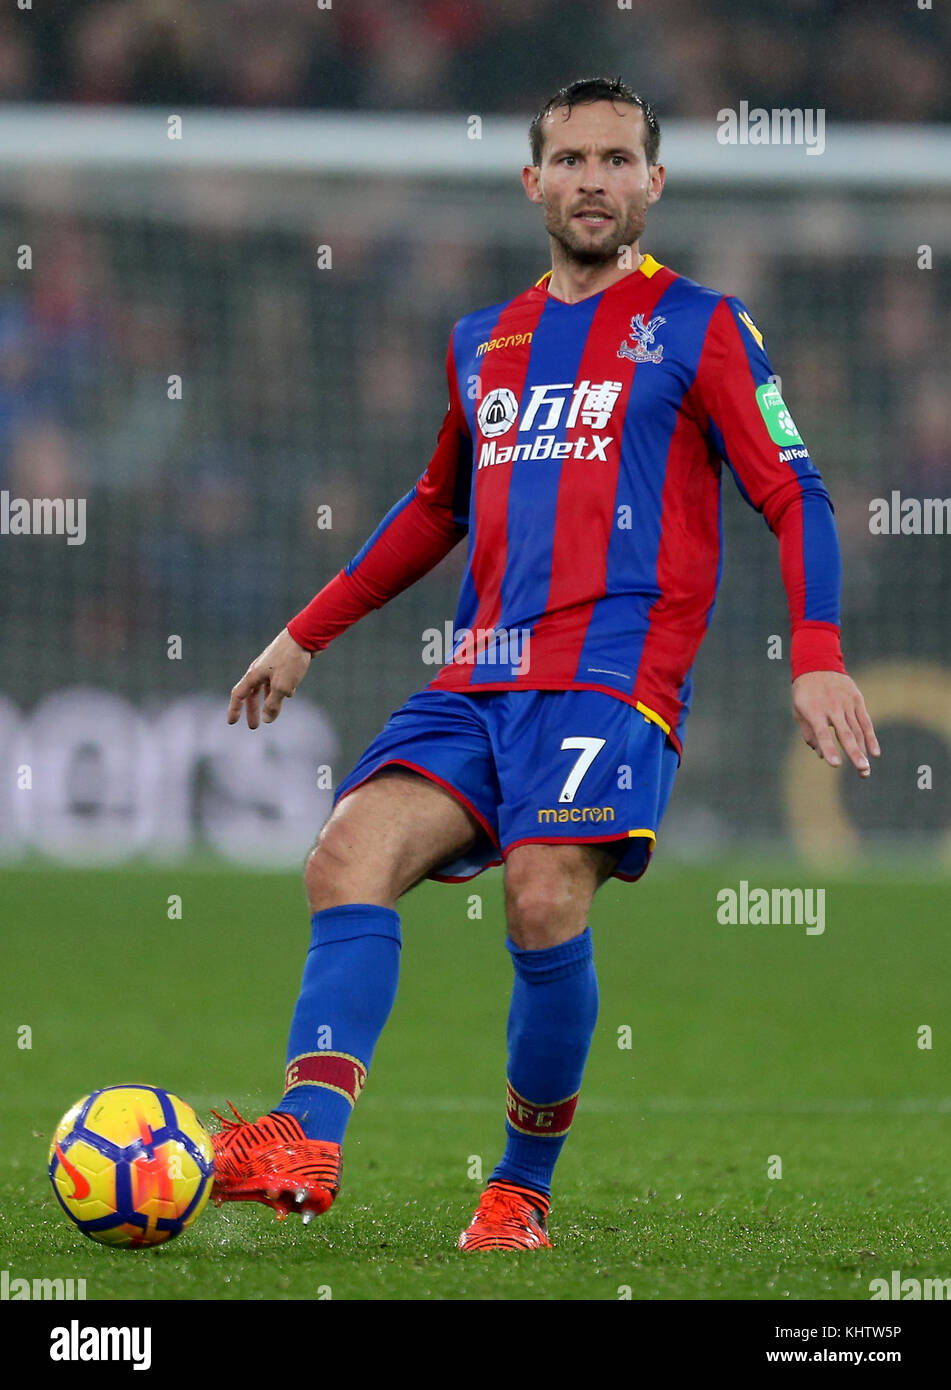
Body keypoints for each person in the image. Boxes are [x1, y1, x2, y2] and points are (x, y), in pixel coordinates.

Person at [211, 77, 880, 1252]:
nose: (594, 181)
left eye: (619, 160)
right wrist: (303, 632)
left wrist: (815, 655)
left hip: (613, 673)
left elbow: (795, 491)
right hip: (482, 673)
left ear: (653, 184)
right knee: (345, 854)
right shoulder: (486, 338)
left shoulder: (705, 326)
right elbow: (434, 508)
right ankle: (307, 1131)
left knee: (540, 898)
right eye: (571, 160)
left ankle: (519, 1188)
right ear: (533, 182)